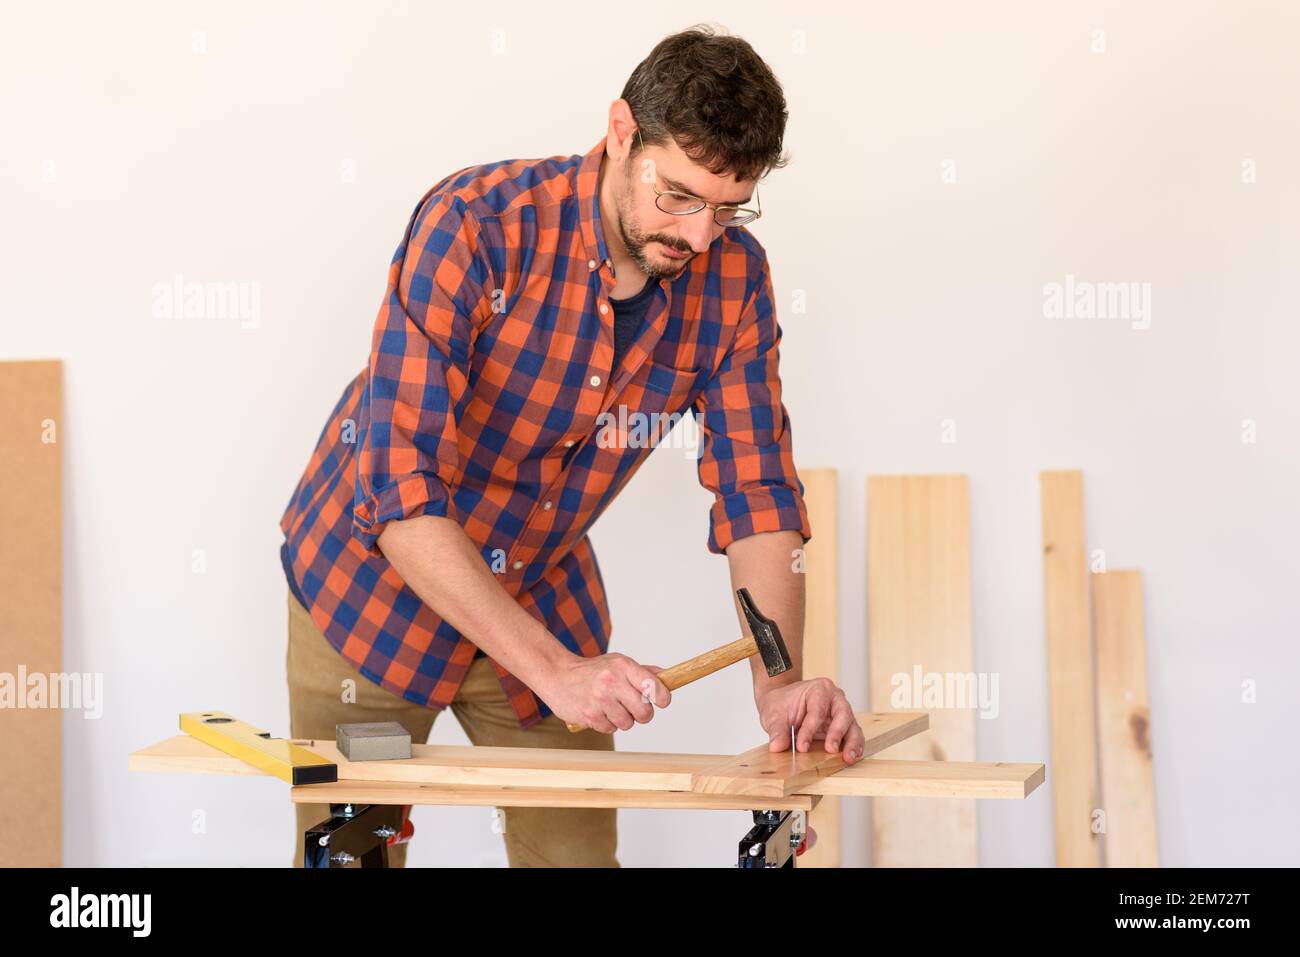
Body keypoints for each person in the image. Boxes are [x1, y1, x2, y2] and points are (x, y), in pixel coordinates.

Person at [278, 24, 865, 868]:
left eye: (729, 207)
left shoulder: (734, 279)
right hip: (370, 592)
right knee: (349, 856)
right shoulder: (474, 226)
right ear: (622, 132)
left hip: (539, 574)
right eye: (679, 197)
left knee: (575, 859)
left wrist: (779, 685)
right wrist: (555, 670)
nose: (701, 237)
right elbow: (398, 494)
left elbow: (758, 492)